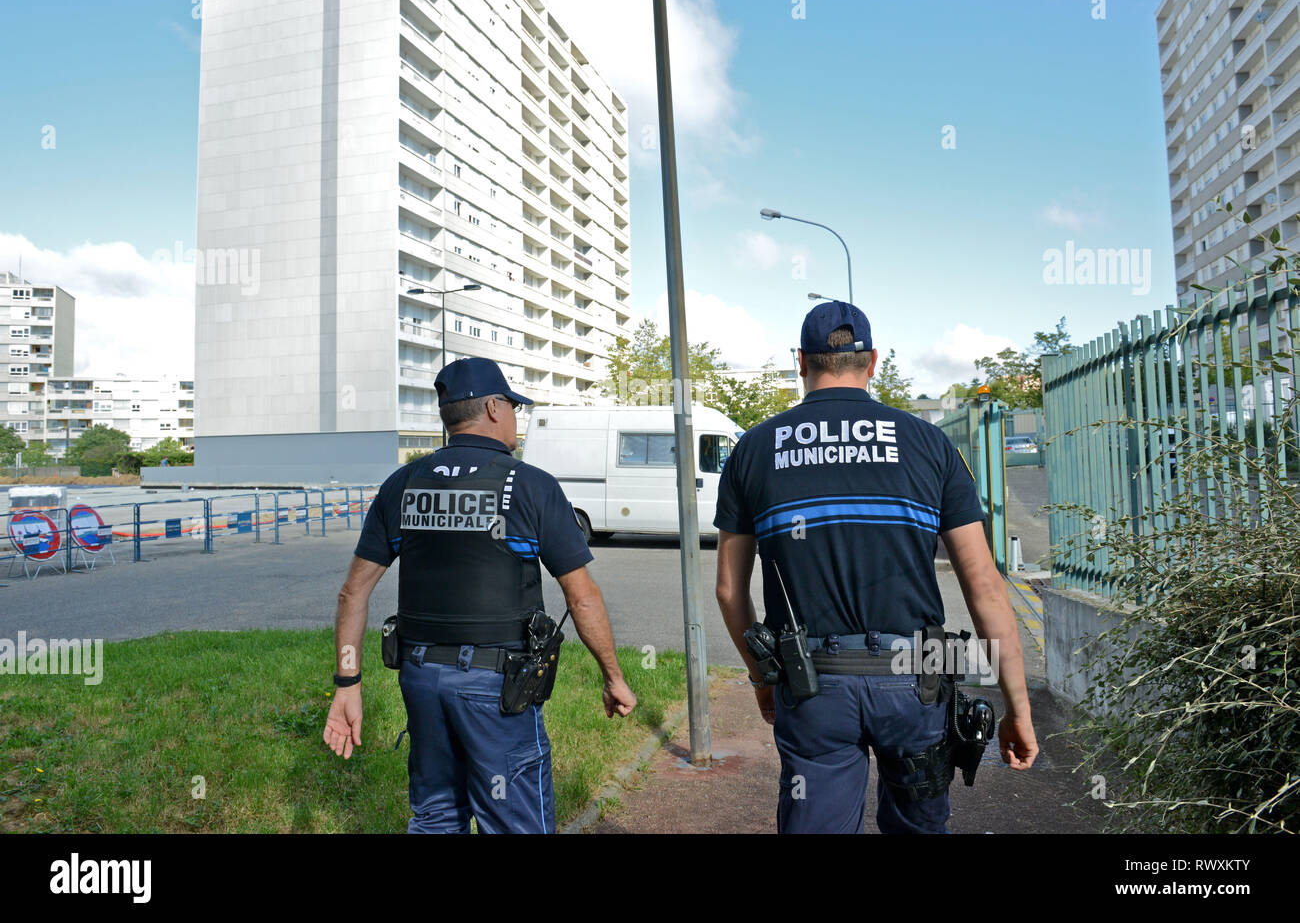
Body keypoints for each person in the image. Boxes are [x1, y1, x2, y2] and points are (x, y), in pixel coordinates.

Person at [713, 300, 1038, 833]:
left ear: (801, 361)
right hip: (918, 682)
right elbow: (986, 587)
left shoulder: (754, 449)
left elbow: (730, 590)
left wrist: (762, 677)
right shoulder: (927, 442)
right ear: (873, 362)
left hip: (811, 685)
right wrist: (1017, 708)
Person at [323, 356, 637, 833]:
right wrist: (613, 676)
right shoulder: (530, 486)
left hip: (421, 680)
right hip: (496, 690)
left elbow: (352, 593)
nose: (517, 418)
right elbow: (583, 598)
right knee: (514, 820)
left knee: (435, 816)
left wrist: (348, 683)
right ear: (494, 407)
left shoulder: (404, 484)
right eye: (513, 406)